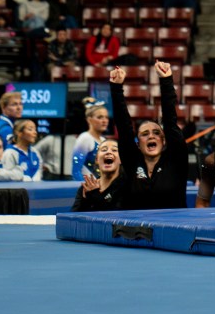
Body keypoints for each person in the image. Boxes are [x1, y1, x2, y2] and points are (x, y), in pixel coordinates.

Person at [109, 61, 189, 208]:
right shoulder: (132, 162)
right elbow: (124, 128)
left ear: (164, 141)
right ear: (138, 143)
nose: (151, 136)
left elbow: (170, 121)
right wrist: (116, 88)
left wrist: (166, 80)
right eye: (145, 134)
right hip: (136, 229)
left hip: (172, 228)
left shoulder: (175, 160)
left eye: (157, 133)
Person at [70, 139, 127, 212]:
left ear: (121, 159)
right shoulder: (86, 188)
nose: (108, 152)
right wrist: (85, 201)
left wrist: (95, 195)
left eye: (114, 150)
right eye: (104, 150)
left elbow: (114, 218)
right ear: (96, 159)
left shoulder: (126, 186)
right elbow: (74, 218)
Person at [71, 98, 110, 180]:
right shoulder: (85, 138)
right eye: (100, 117)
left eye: (106, 117)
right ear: (89, 120)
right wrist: (84, 188)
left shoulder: (103, 140)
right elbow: (76, 171)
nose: (105, 121)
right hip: (89, 188)